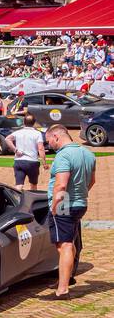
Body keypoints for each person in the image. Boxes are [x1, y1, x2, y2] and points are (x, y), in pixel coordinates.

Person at [45, 124, 97, 298]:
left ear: (56, 137)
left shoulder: (63, 156)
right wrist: (81, 194)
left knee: (64, 245)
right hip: (80, 203)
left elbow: (61, 184)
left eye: (49, 140)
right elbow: (92, 181)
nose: (49, 145)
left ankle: (63, 289)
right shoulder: (88, 154)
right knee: (70, 242)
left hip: (64, 204)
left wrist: (54, 205)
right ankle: (66, 278)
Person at [4, 112, 46, 191]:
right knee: (33, 185)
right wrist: (44, 163)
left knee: (19, 186)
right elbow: (41, 148)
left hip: (19, 161)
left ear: (24, 122)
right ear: (34, 123)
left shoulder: (18, 132)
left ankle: (16, 201)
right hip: (32, 162)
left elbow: (7, 139)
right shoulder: (37, 133)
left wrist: (15, 150)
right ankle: (33, 201)